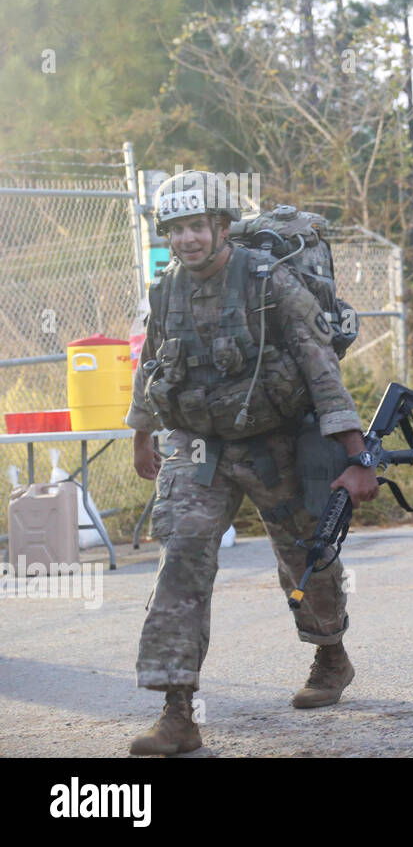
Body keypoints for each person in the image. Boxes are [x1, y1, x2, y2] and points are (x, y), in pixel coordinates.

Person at [126, 170, 379, 755]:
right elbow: (151, 364)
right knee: (181, 559)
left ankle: (329, 653)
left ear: (221, 226)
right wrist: (141, 432)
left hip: (275, 442)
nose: (186, 239)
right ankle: (177, 710)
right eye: (176, 230)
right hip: (197, 446)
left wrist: (355, 455)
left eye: (197, 226)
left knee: (305, 559)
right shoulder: (165, 290)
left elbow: (321, 367)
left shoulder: (271, 282)